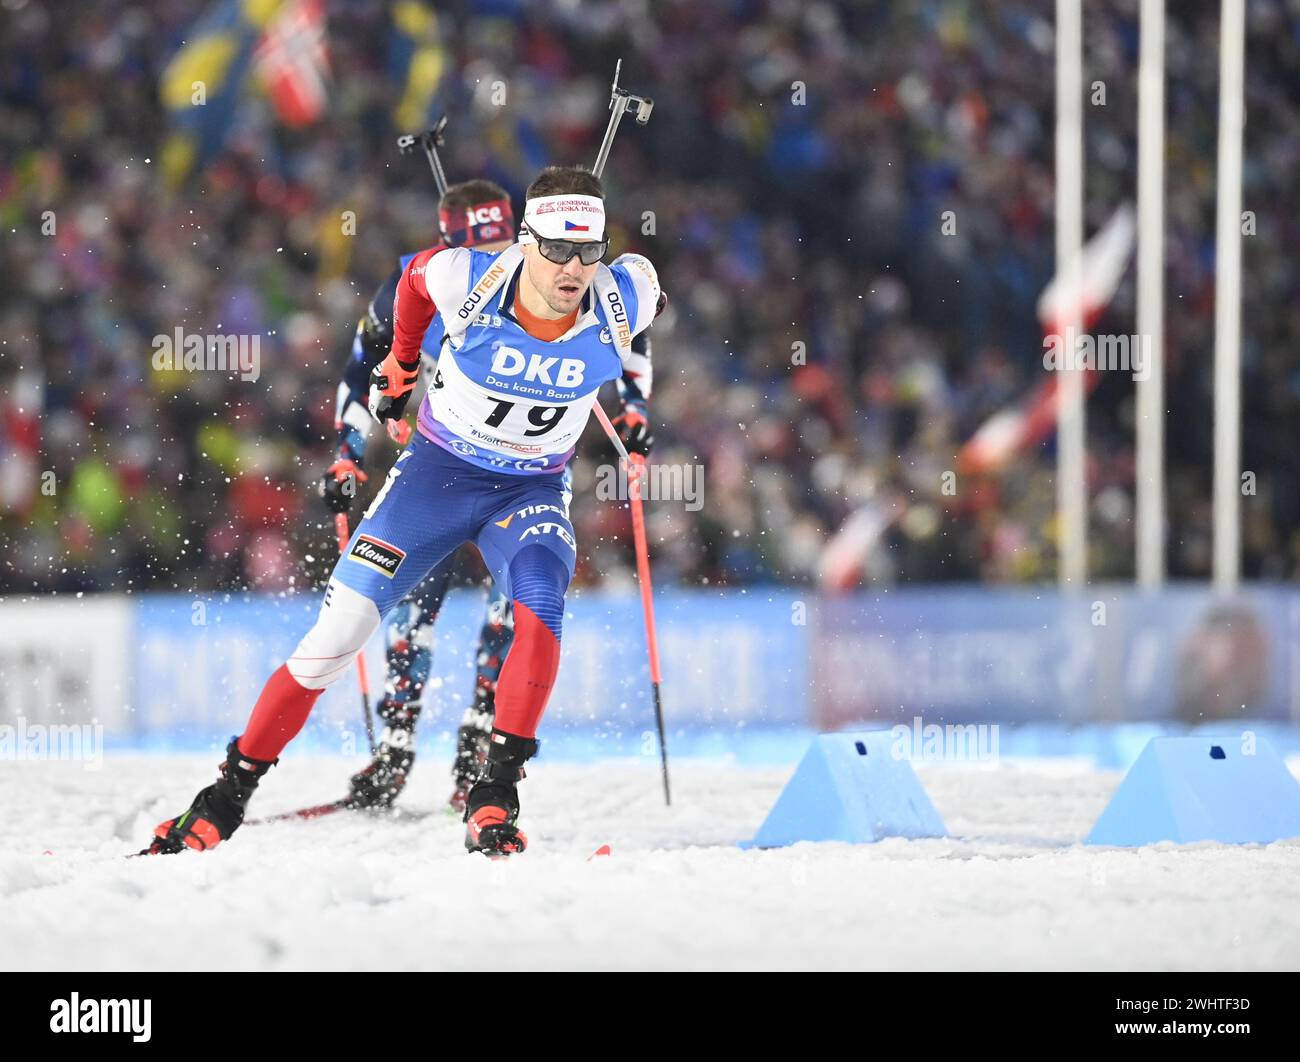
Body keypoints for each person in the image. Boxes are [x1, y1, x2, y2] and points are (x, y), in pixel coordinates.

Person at [145, 165, 660, 857]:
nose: (573, 269)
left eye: (588, 251)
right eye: (558, 250)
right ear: (526, 240)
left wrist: (633, 414)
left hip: (530, 491)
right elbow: (411, 286)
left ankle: (493, 792)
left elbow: (633, 356)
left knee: (540, 601)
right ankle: (223, 799)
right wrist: (400, 368)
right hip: (435, 481)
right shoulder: (464, 278)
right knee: (334, 640)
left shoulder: (628, 292)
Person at [321, 178, 518, 813]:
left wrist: (628, 406)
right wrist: (348, 452)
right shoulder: (417, 280)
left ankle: (482, 751)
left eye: (505, 242)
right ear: (452, 245)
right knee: (408, 612)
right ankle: (395, 752)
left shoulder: (540, 276)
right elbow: (361, 366)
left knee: (509, 612)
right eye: (481, 247)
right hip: (432, 476)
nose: (498, 258)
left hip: (514, 480)